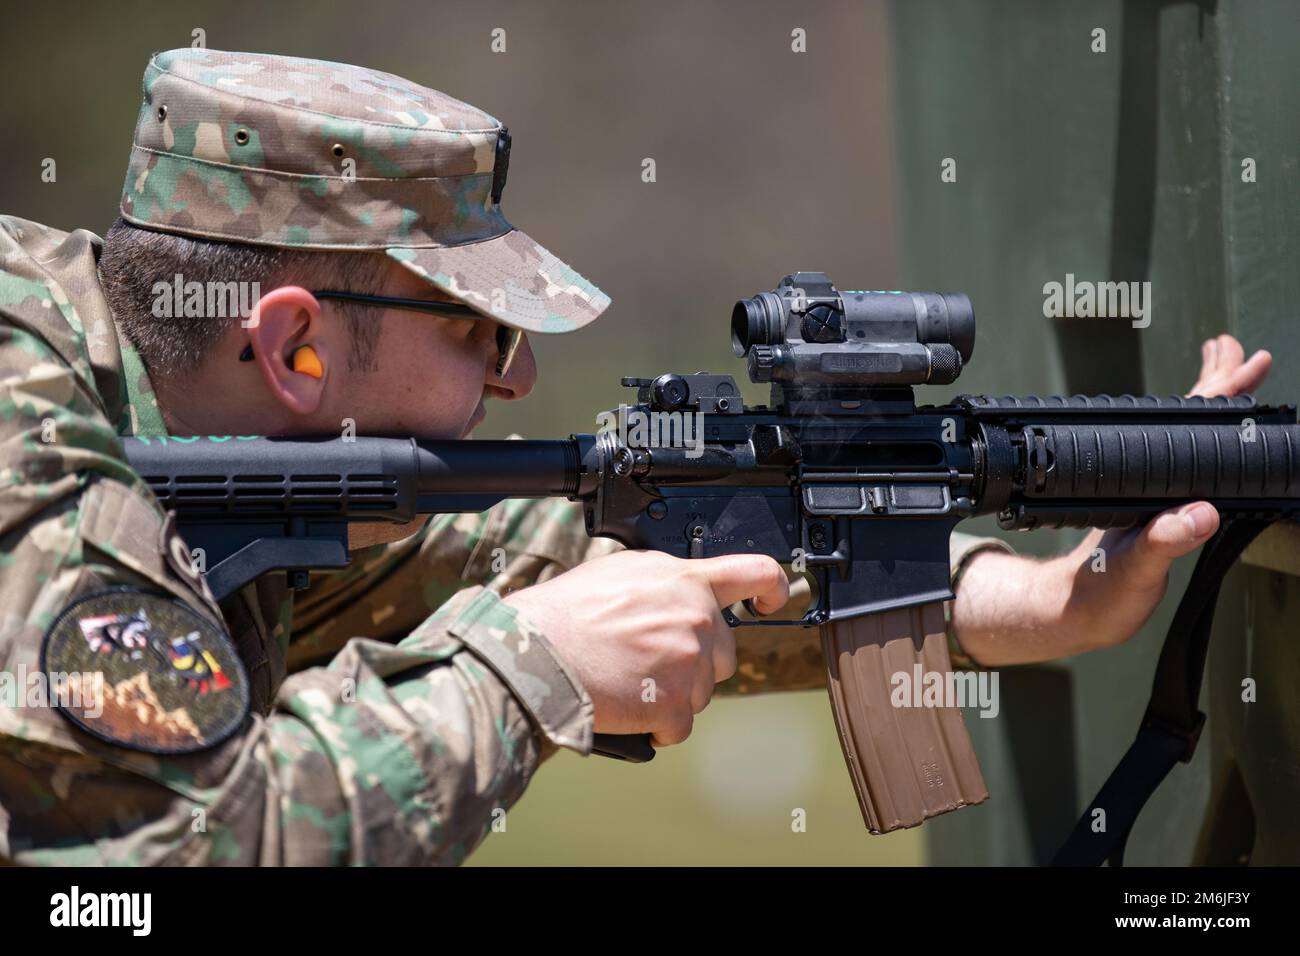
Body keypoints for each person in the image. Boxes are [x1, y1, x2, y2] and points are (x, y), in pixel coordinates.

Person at [0, 48, 1272, 865]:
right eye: (478, 327)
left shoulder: (174, 423)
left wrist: (1037, 600)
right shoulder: (27, 431)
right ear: (294, 348)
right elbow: (154, 862)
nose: (516, 377)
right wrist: (525, 669)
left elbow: (588, 554)